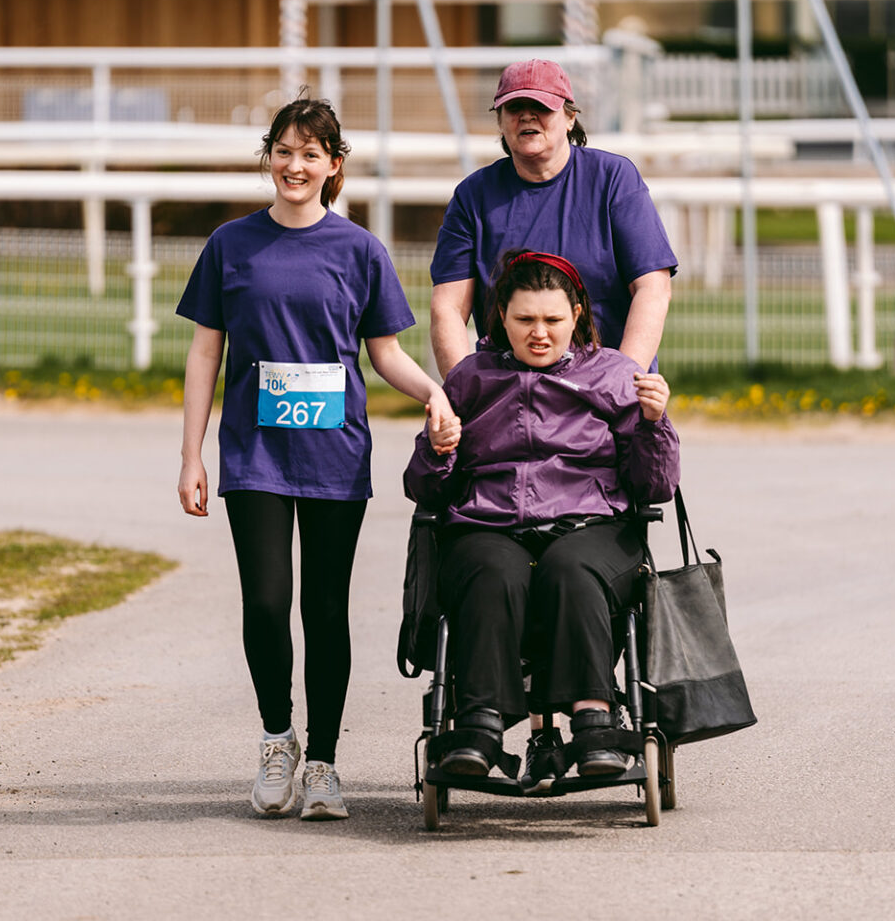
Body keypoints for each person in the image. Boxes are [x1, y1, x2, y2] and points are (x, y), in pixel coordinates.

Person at [177, 96, 457, 821]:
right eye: (283, 150)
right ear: (268, 157)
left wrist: (434, 394)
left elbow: (386, 353)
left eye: (311, 153)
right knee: (267, 604)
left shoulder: (360, 251)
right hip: (255, 453)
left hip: (334, 455)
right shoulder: (230, 245)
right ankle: (278, 740)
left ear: (334, 166)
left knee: (324, 610)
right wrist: (191, 456)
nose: (294, 165)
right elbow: (206, 350)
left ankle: (325, 763)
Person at [403, 250, 679, 792]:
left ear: (576, 314)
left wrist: (653, 423)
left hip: (591, 525)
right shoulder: (469, 380)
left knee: (570, 571)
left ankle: (594, 721)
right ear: (500, 315)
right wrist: (438, 451)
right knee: (492, 571)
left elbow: (655, 486)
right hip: (490, 524)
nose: (539, 333)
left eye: (553, 320)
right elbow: (423, 488)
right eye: (525, 319)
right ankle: (478, 727)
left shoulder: (615, 375)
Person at [429, 58, 677, 379]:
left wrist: (622, 382)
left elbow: (652, 290)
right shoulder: (473, 195)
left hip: (603, 384)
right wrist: (465, 391)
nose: (527, 116)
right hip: (510, 389)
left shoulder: (614, 179)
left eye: (542, 107)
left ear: (570, 118)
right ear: (500, 122)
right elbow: (447, 307)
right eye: (515, 107)